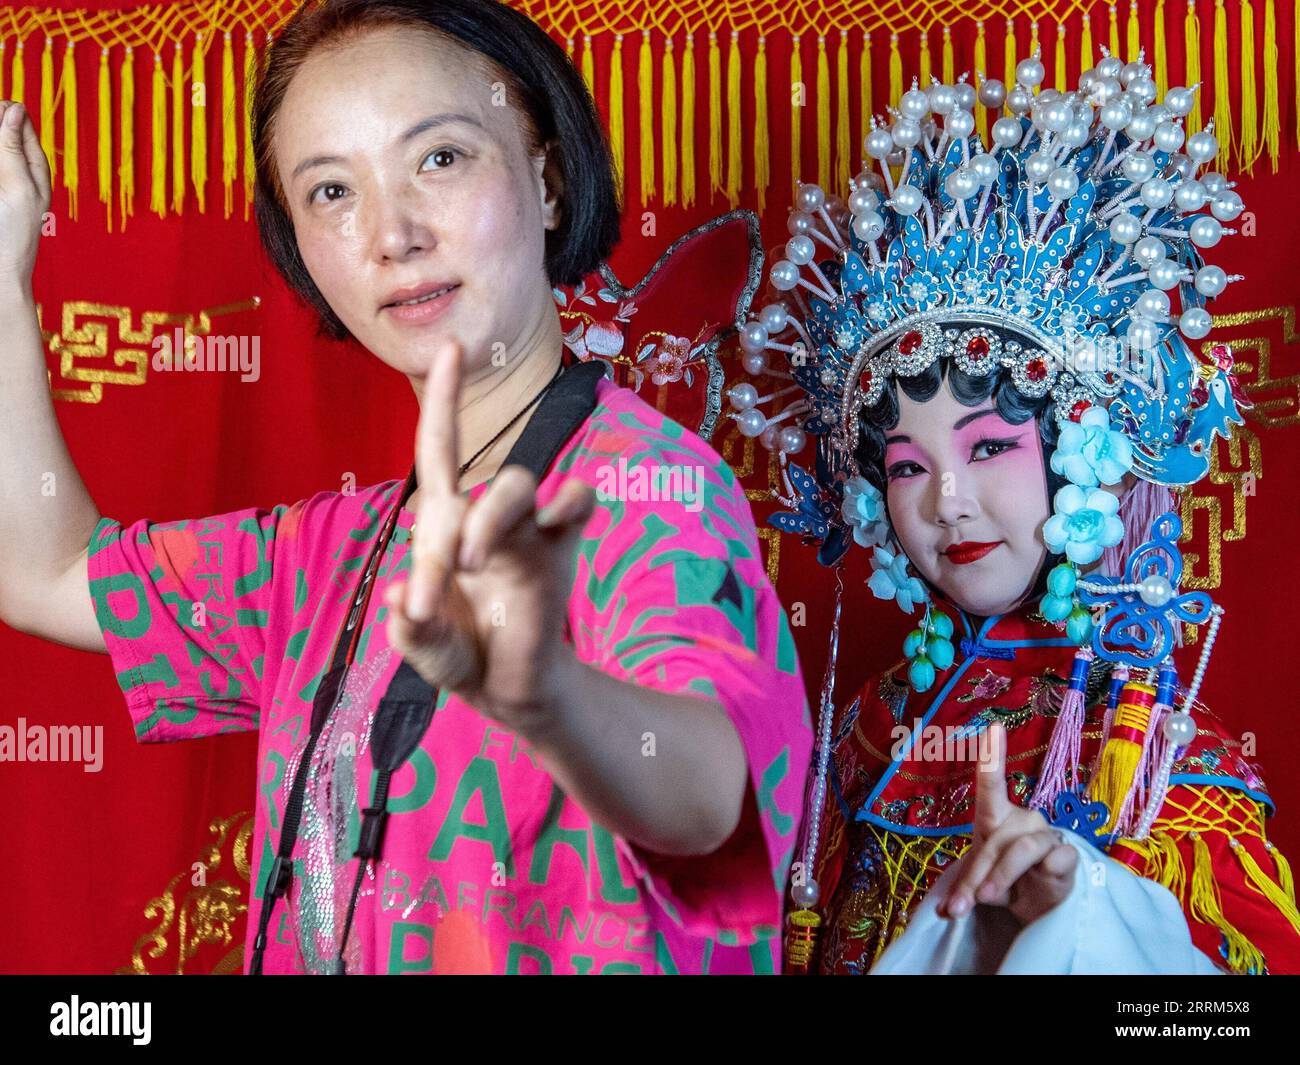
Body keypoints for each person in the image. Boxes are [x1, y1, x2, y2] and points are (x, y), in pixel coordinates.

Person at [0, 0, 811, 975]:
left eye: (439, 158)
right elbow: (44, 571)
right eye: (332, 193)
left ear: (547, 179)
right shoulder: (328, 554)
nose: (392, 235)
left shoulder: (650, 492)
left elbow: (705, 796)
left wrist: (543, 692)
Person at [731, 49, 1300, 973]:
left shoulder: (1150, 753)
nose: (949, 501)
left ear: (1078, 459)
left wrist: (1085, 915)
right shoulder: (869, 734)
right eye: (909, 466)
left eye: (990, 446)